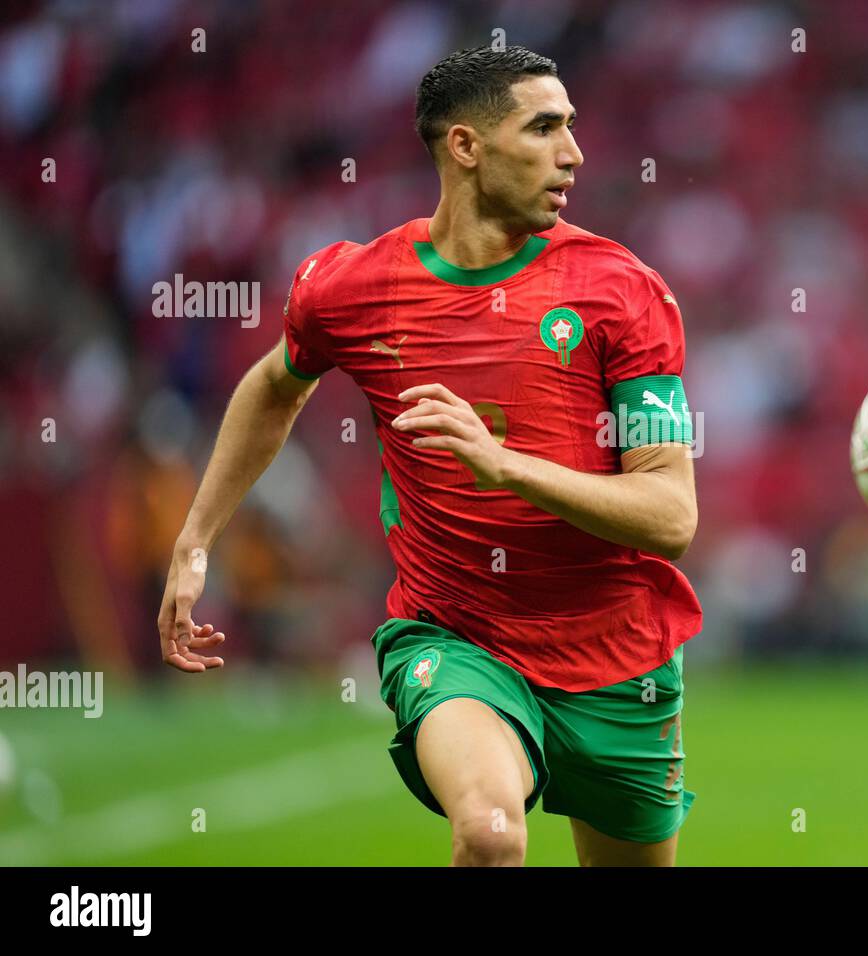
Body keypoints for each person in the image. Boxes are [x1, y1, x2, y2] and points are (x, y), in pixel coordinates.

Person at [156, 45, 702, 867]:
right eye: (545, 127)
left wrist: (507, 465)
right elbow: (275, 385)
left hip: (619, 659)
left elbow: (672, 515)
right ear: (467, 147)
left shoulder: (622, 291)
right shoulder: (351, 287)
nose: (574, 154)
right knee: (488, 834)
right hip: (456, 639)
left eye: (574, 127)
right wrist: (195, 542)